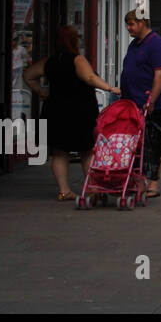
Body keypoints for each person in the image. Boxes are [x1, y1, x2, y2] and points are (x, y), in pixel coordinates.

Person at [22, 26, 120, 200]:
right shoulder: (77, 60)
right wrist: (110, 87)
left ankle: (64, 190)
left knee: (59, 152)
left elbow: (28, 75)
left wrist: (42, 92)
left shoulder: (49, 62)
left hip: (55, 111)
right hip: (79, 111)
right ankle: (93, 188)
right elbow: (89, 78)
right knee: (87, 150)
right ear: (74, 41)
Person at [120, 10, 161, 198]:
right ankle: (137, 180)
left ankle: (153, 183)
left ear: (142, 23)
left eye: (131, 24)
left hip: (148, 103)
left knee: (152, 143)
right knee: (134, 145)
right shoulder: (134, 44)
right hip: (131, 103)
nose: (128, 28)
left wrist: (151, 100)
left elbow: (160, 74)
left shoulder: (156, 43)